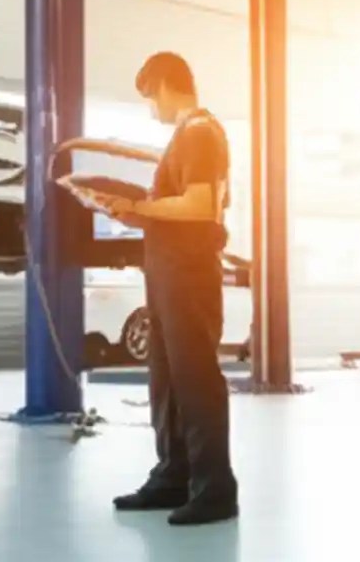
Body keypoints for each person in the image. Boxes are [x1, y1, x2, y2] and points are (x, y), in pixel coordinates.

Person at [103, 51, 239, 526]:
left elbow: (200, 205)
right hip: (166, 275)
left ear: (163, 84)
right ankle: (173, 477)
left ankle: (215, 489)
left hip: (188, 274)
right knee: (166, 381)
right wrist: (133, 211)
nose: (151, 110)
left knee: (196, 379)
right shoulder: (187, 136)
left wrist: (138, 205)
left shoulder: (200, 132)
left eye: (149, 98)